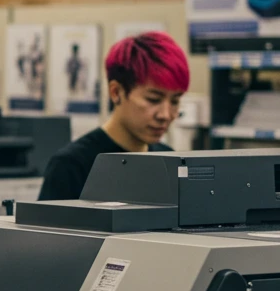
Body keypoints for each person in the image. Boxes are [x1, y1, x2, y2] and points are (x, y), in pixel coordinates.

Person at [38, 31, 188, 201]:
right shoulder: (72, 166)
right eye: (153, 100)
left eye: (175, 102)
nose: (166, 115)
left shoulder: (169, 161)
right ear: (116, 92)